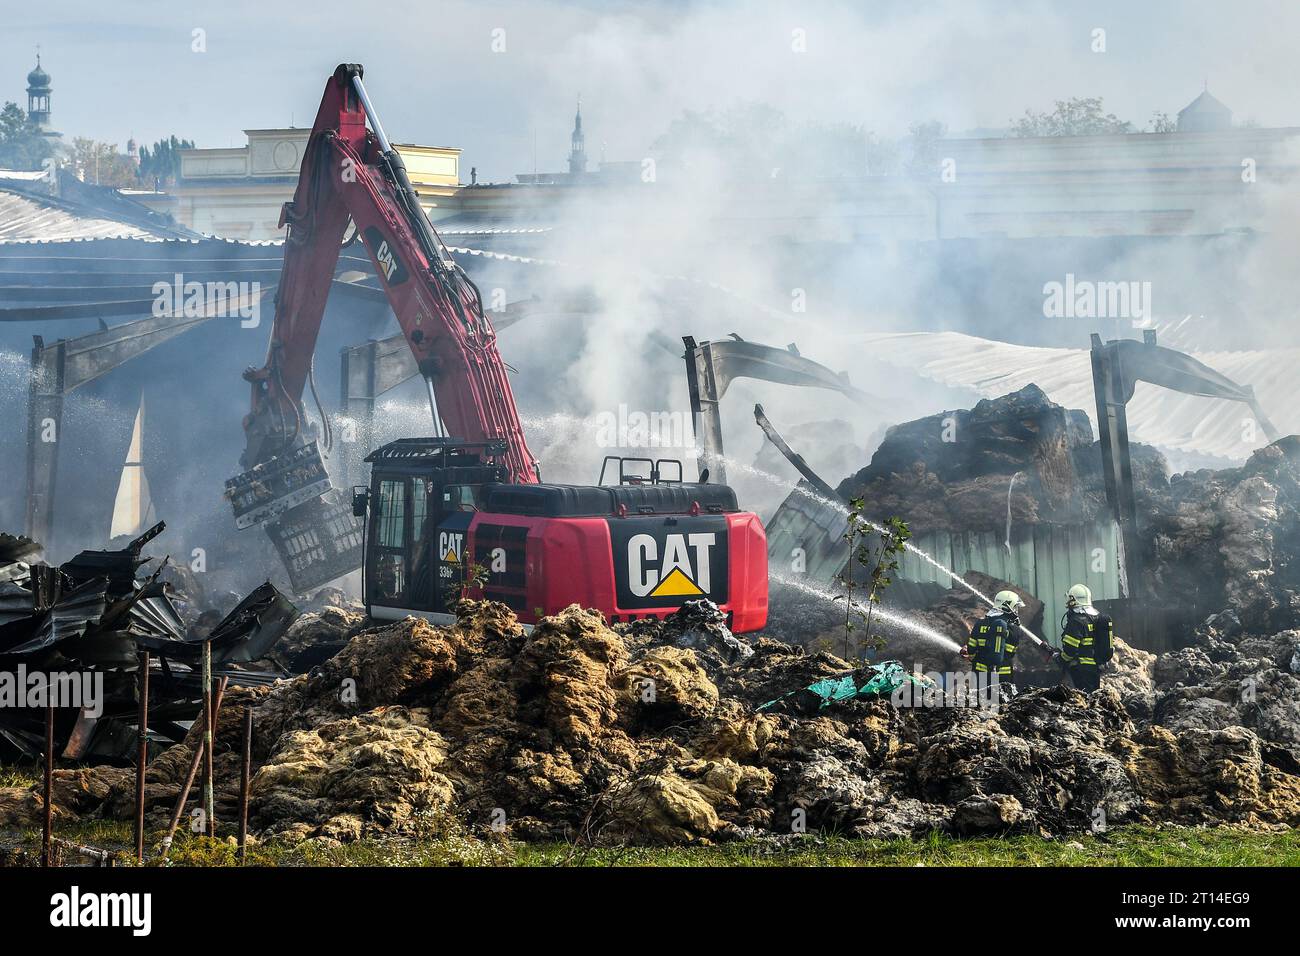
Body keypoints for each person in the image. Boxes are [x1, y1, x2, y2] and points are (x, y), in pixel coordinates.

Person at [963, 590, 1026, 698]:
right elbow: (1010, 653)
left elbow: (971, 650)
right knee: (1002, 709)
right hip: (1003, 678)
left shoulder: (979, 624)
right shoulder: (1014, 629)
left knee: (979, 708)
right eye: (1015, 607)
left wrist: (967, 651)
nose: (1016, 611)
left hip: (979, 676)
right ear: (1007, 606)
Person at [1058, 583, 1114, 692]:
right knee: (1093, 698)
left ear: (1074, 600)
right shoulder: (1097, 616)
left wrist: (1060, 658)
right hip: (1095, 668)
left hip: (1081, 669)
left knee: (1082, 700)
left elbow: (1070, 650)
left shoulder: (1076, 621)